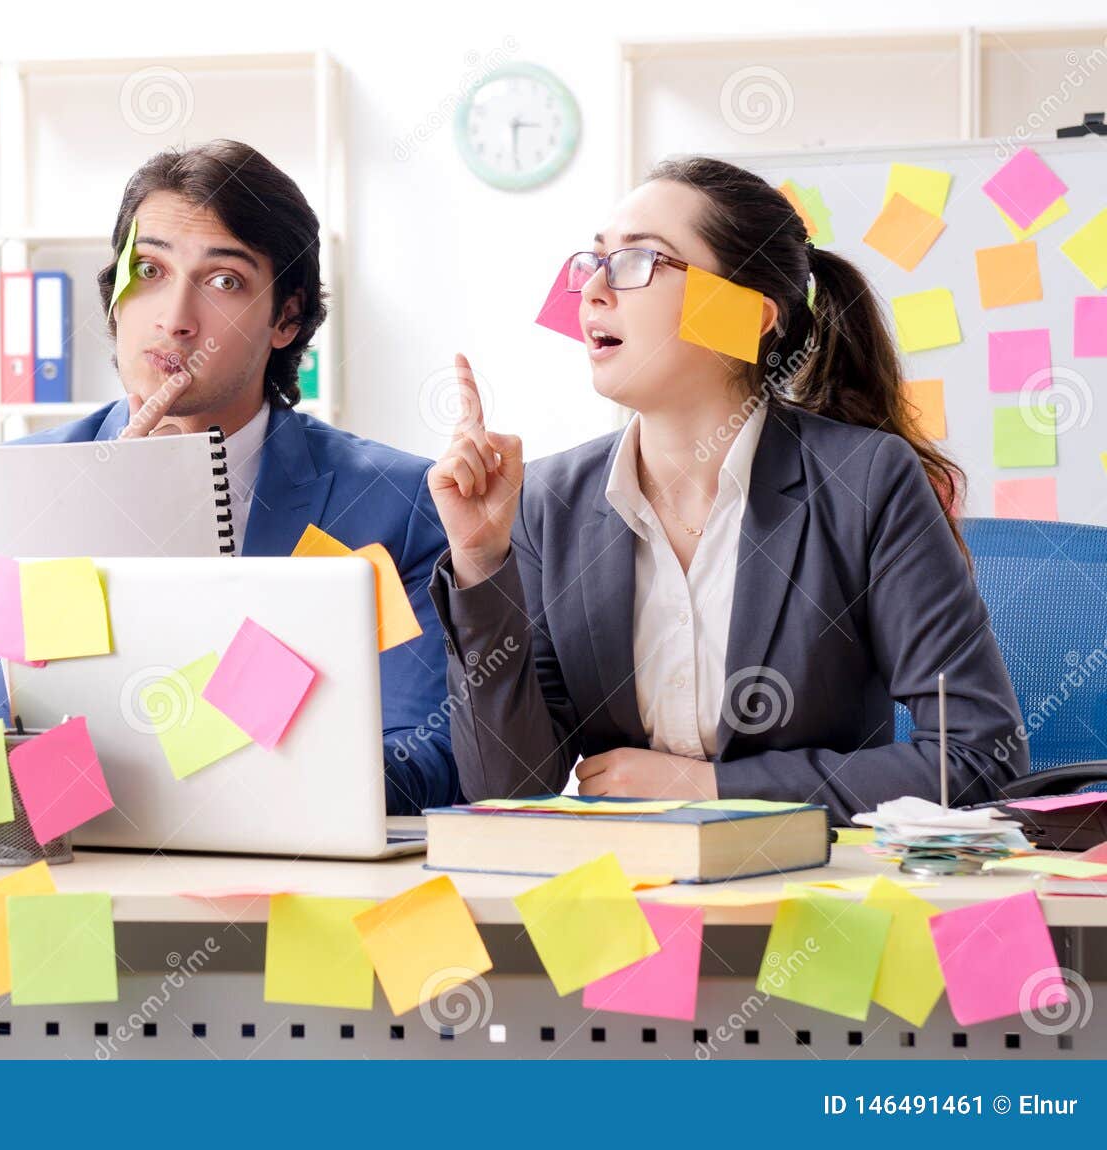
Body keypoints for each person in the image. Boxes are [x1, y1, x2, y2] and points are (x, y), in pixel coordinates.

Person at [425, 155, 1025, 822]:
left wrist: (707, 787)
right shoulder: (548, 501)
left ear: (746, 315)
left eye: (638, 261)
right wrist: (481, 562)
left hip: (817, 897)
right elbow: (510, 797)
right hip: (622, 899)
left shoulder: (866, 481)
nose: (592, 290)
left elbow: (982, 758)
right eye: (593, 262)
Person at [0, 140, 459, 815]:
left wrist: (229, 728)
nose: (175, 318)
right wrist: (94, 545)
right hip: (80, 885)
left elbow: (421, 771)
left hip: (299, 892)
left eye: (225, 282)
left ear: (287, 319)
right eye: (149, 270)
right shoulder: (9, 501)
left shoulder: (397, 506)